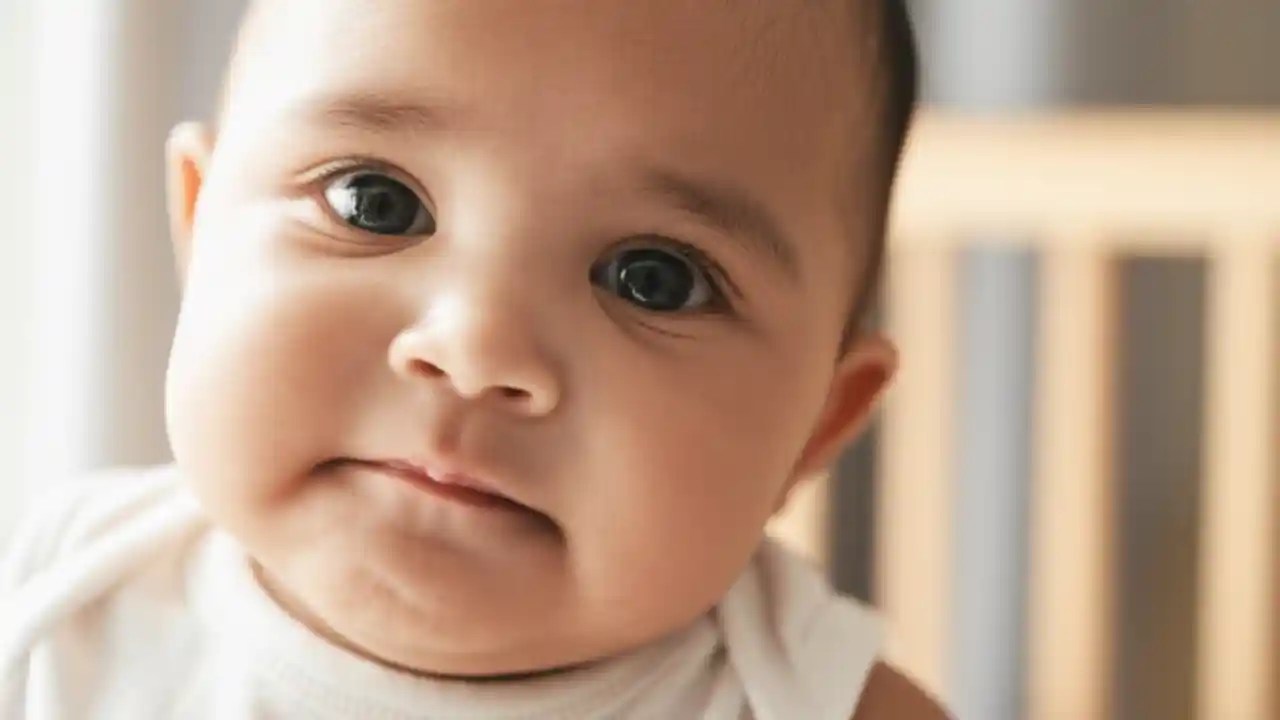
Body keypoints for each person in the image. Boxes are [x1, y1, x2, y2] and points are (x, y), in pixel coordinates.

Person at [1, 1, 950, 717]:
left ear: (817, 426)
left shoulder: (822, 704)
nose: (476, 349)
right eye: (375, 202)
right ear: (200, 228)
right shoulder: (56, 609)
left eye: (652, 279)